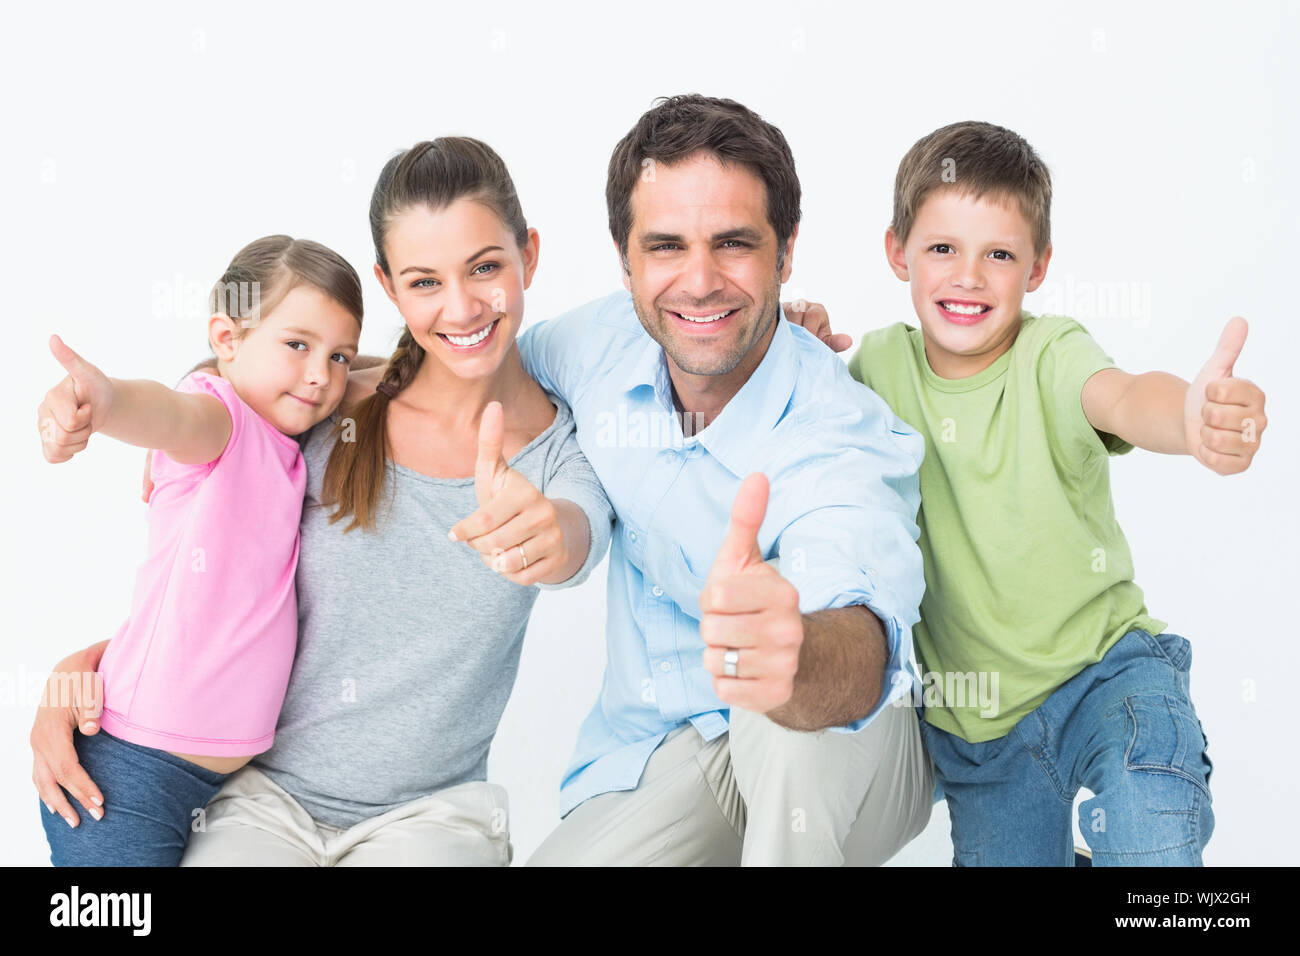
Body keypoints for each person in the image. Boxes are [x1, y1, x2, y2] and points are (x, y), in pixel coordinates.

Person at [30, 137, 614, 866]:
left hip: (433, 817)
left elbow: (577, 535)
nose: (461, 306)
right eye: (425, 282)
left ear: (528, 254)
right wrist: (79, 669)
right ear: (391, 288)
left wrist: (550, 538)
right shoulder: (320, 411)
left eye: (486, 267)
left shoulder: (565, 451)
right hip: (257, 797)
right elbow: (199, 498)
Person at [518, 95, 934, 866]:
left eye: (735, 244)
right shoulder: (598, 342)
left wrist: (795, 650)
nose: (700, 282)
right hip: (665, 749)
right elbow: (469, 365)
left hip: (845, 750)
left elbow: (862, 639)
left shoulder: (834, 432)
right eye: (667, 246)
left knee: (775, 703)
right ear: (625, 258)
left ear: (786, 252)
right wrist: (251, 390)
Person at [846, 120, 1267, 865]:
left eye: (999, 254)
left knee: (1150, 831)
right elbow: (798, 419)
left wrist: (1189, 416)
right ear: (897, 252)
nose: (968, 277)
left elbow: (1125, 396)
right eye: (943, 248)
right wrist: (799, 334)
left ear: (1037, 267)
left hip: (1106, 676)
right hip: (980, 732)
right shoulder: (878, 367)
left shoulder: (1051, 353)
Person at [34, 235, 364, 865]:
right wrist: (106, 403)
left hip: (212, 780)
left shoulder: (286, 442)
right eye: (298, 345)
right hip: (130, 768)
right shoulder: (224, 420)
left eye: (339, 355)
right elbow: (167, 414)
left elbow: (379, 378)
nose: (322, 374)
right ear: (228, 338)